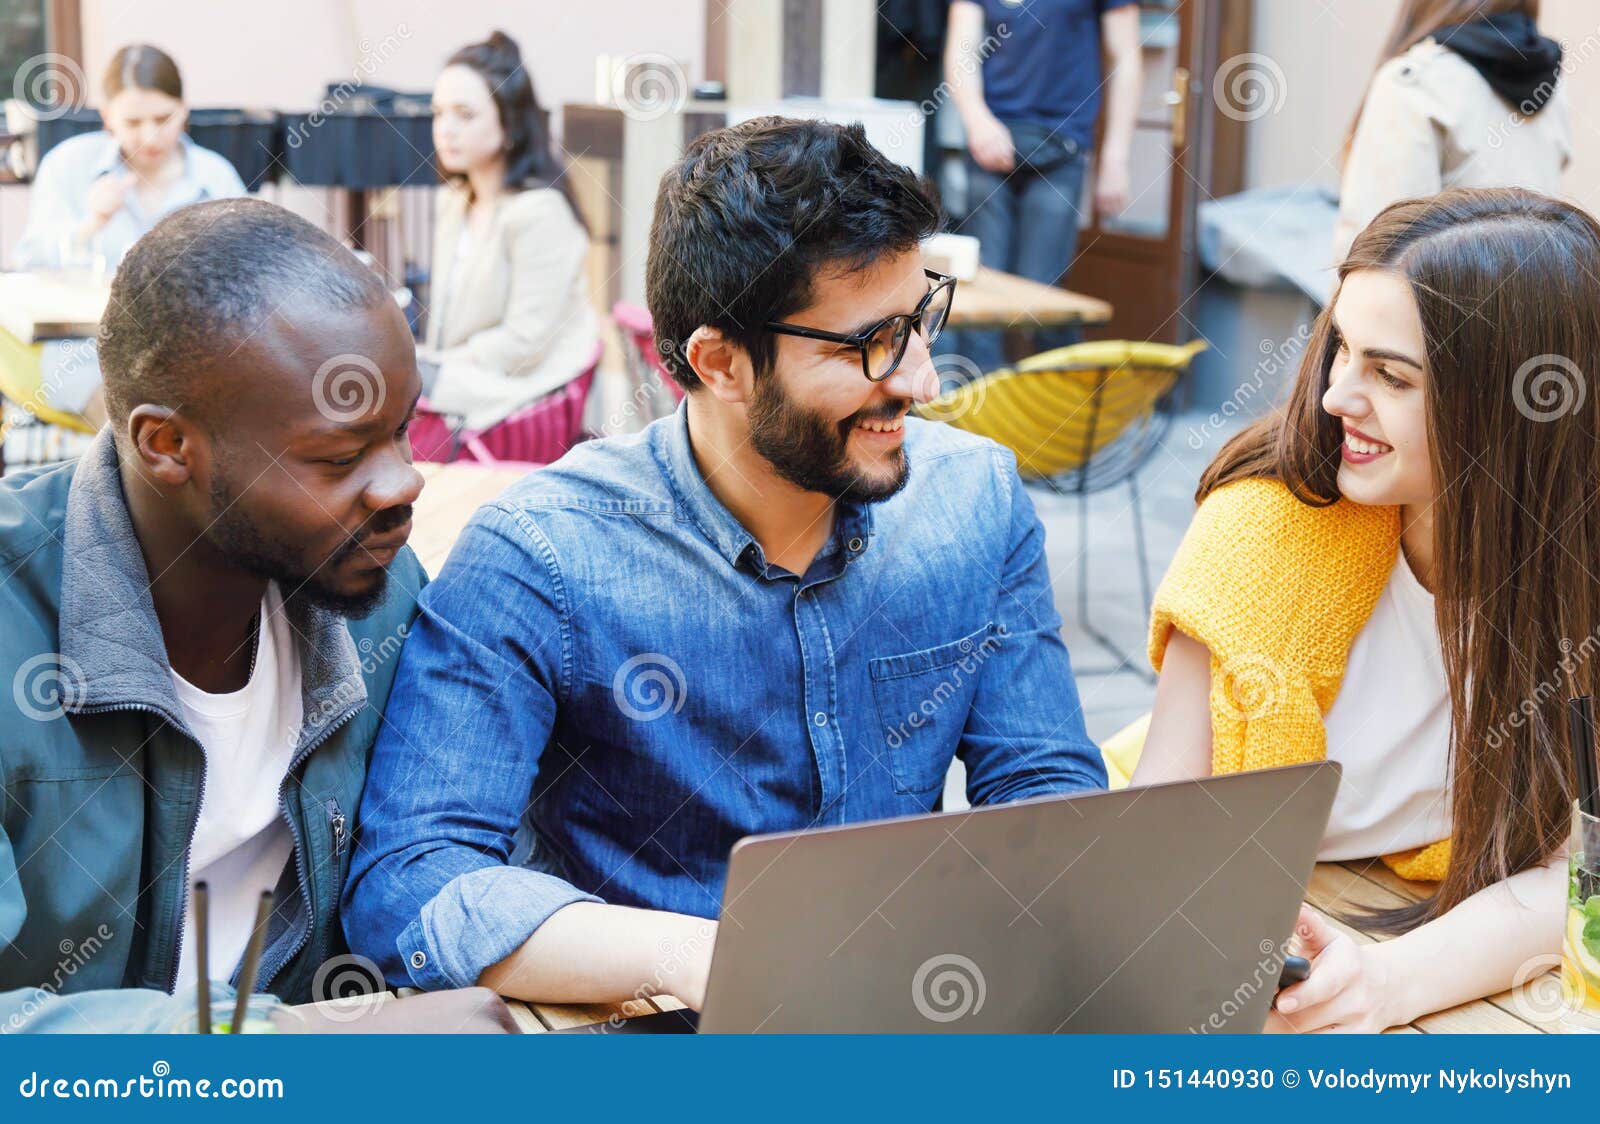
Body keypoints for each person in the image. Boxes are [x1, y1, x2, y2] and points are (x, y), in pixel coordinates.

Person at [346, 117, 1107, 1010]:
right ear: (718, 362)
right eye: (870, 345)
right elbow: (409, 885)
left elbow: (1045, 786)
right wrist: (698, 957)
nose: (922, 382)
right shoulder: (542, 556)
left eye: (920, 323)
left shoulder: (972, 499)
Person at [1131, 188, 1593, 1032]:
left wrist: (1387, 983)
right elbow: (1160, 836)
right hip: (1237, 919)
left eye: (1392, 374)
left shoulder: (1576, 591)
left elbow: (1581, 875)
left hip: (1396, 932)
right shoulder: (1260, 523)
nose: (1338, 395)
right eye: (1341, 349)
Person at [0, 199, 436, 1032]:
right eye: (342, 456)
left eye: (404, 433)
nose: (401, 484)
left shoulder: (379, 594)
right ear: (167, 447)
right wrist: (300, 1048)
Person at [10, 44, 247, 430]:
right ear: (108, 118)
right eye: (133, 122)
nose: (150, 135)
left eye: (163, 118)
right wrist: (89, 224)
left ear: (183, 112)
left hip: (195, 354)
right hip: (88, 355)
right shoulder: (69, 166)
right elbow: (28, 267)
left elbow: (251, 268)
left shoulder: (214, 177)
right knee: (142, 432)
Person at [941, 0, 1141, 372]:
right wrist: (977, 121)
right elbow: (961, 49)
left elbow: (1127, 60)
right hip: (990, 147)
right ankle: (980, 417)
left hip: (1061, 149)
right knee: (978, 288)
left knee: (1043, 301)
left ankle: (1059, 417)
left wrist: (1115, 159)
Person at [420, 30, 598, 432]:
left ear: (511, 124)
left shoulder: (540, 211)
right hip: (467, 379)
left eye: (465, 114)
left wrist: (436, 366)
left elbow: (525, 344)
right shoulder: (454, 201)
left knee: (393, 386)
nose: (445, 129)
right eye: (438, 112)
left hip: (525, 396)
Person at [1332, 0, 1569, 261]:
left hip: (1438, 301)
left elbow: (1376, 263)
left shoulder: (1415, 82)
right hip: (1537, 300)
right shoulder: (1553, 91)